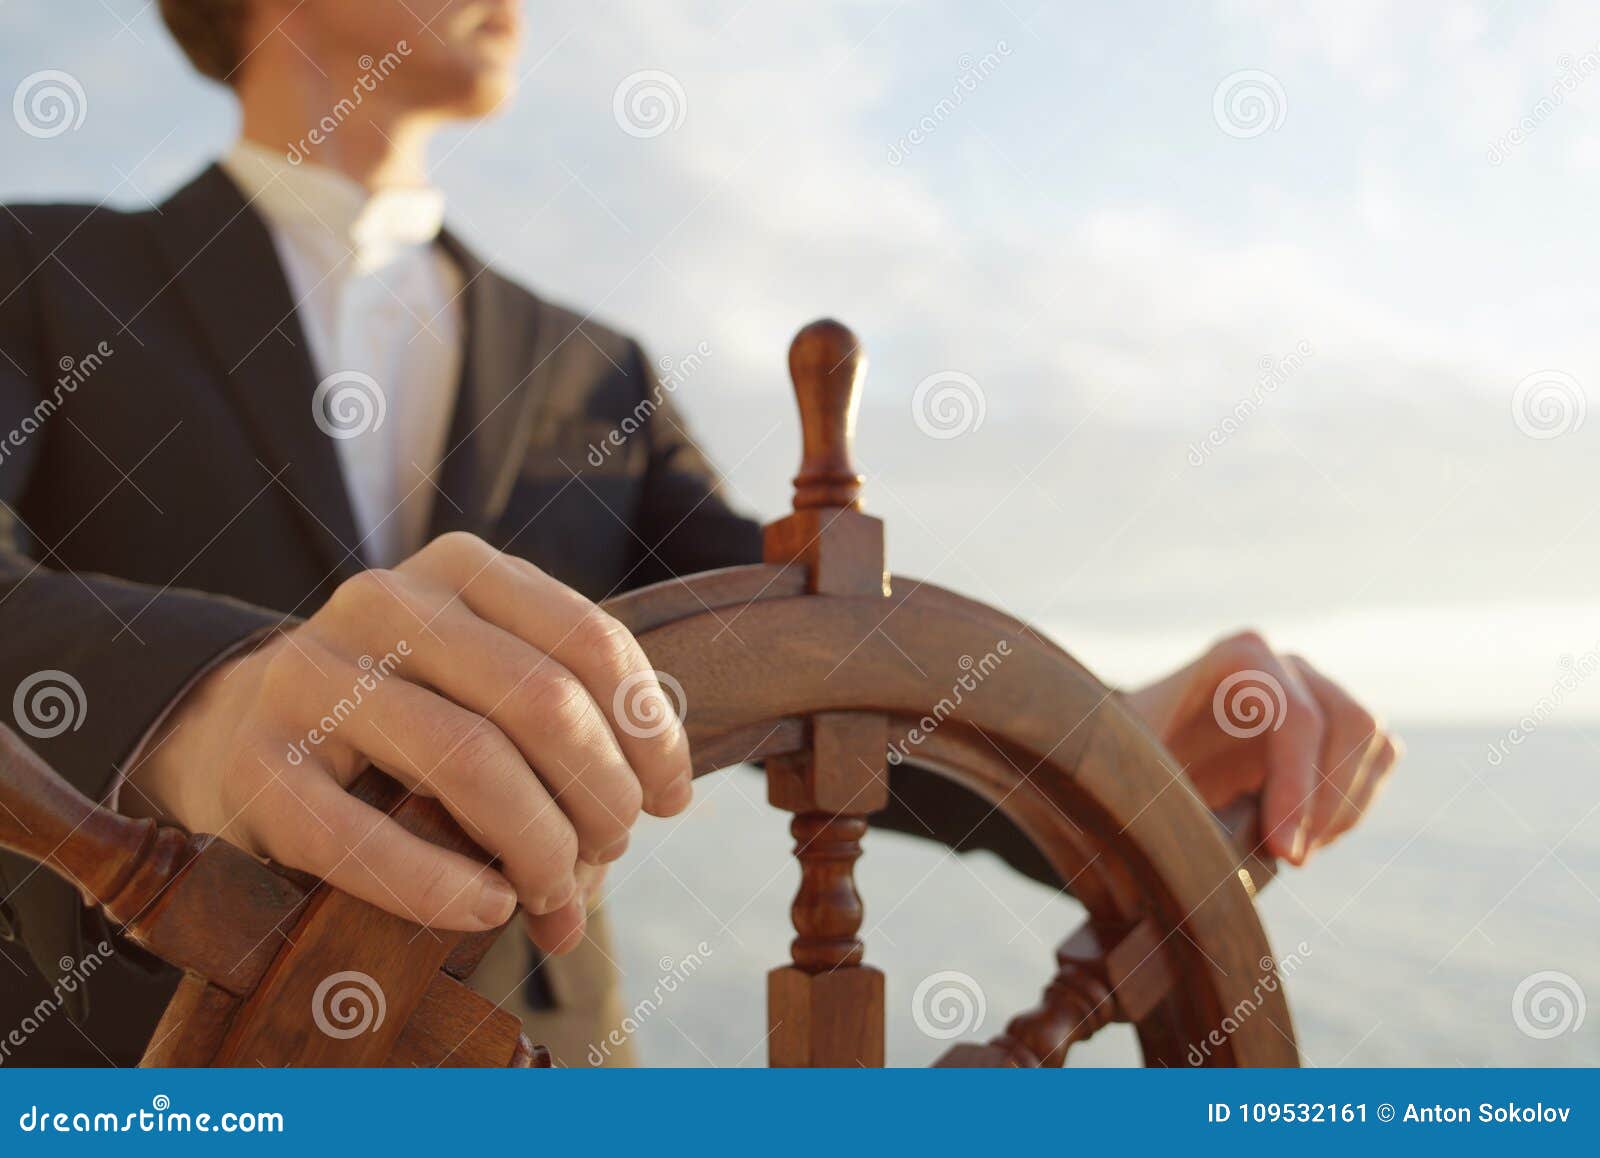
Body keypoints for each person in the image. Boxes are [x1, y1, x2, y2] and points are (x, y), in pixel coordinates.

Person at [0, 0, 1400, 1066]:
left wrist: (1105, 738)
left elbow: (800, 659)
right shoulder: (35, 272)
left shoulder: (590, 365)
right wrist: (199, 707)